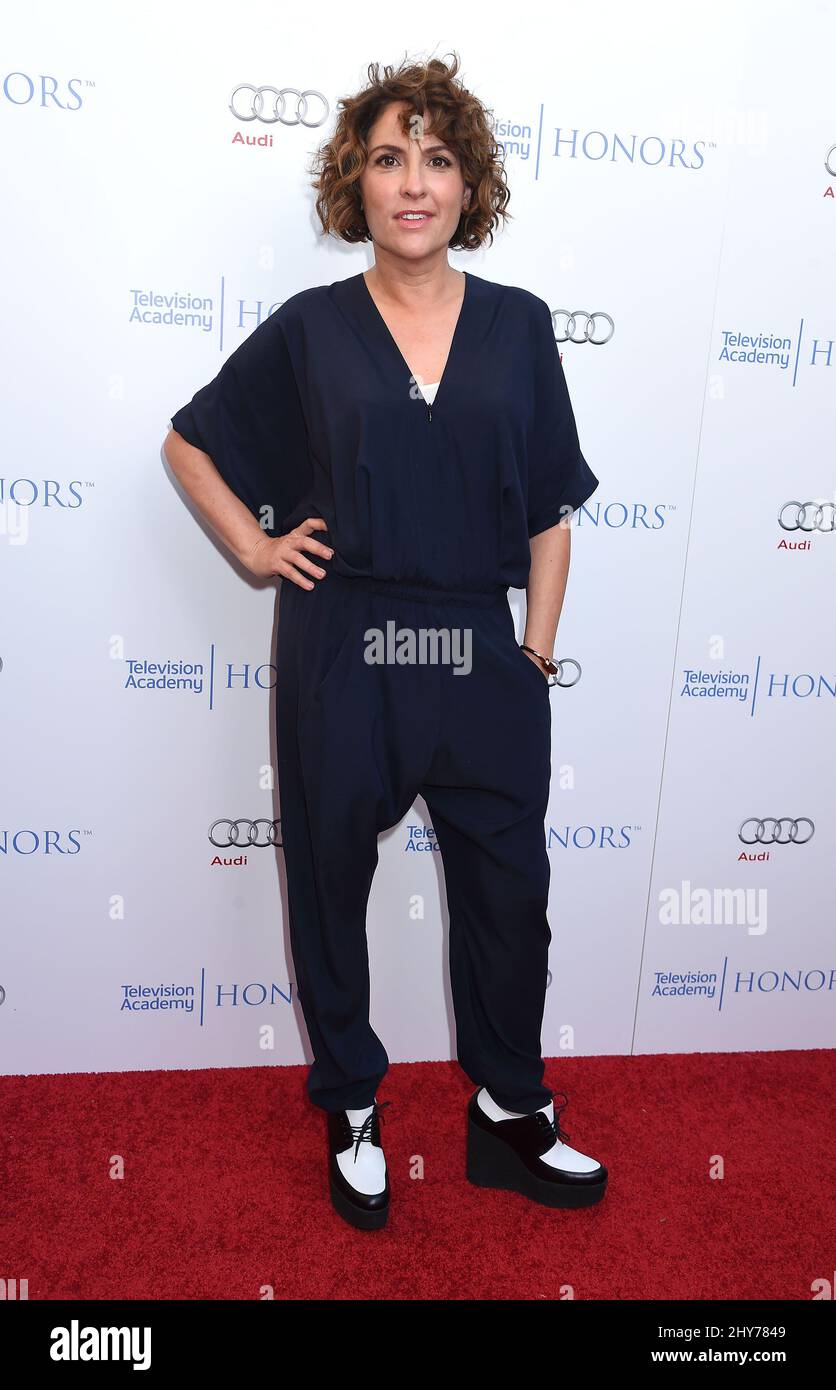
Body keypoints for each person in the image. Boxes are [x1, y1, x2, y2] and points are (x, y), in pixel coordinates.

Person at [164, 53, 607, 1231]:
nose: (414, 183)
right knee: (329, 886)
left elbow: (550, 513)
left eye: (438, 158)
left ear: (470, 186)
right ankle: (352, 1104)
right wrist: (257, 551)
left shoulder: (519, 327)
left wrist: (534, 652)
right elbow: (187, 444)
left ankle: (512, 1111)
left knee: (512, 901)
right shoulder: (311, 332)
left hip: (480, 650)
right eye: (387, 158)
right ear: (352, 185)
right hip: (345, 646)